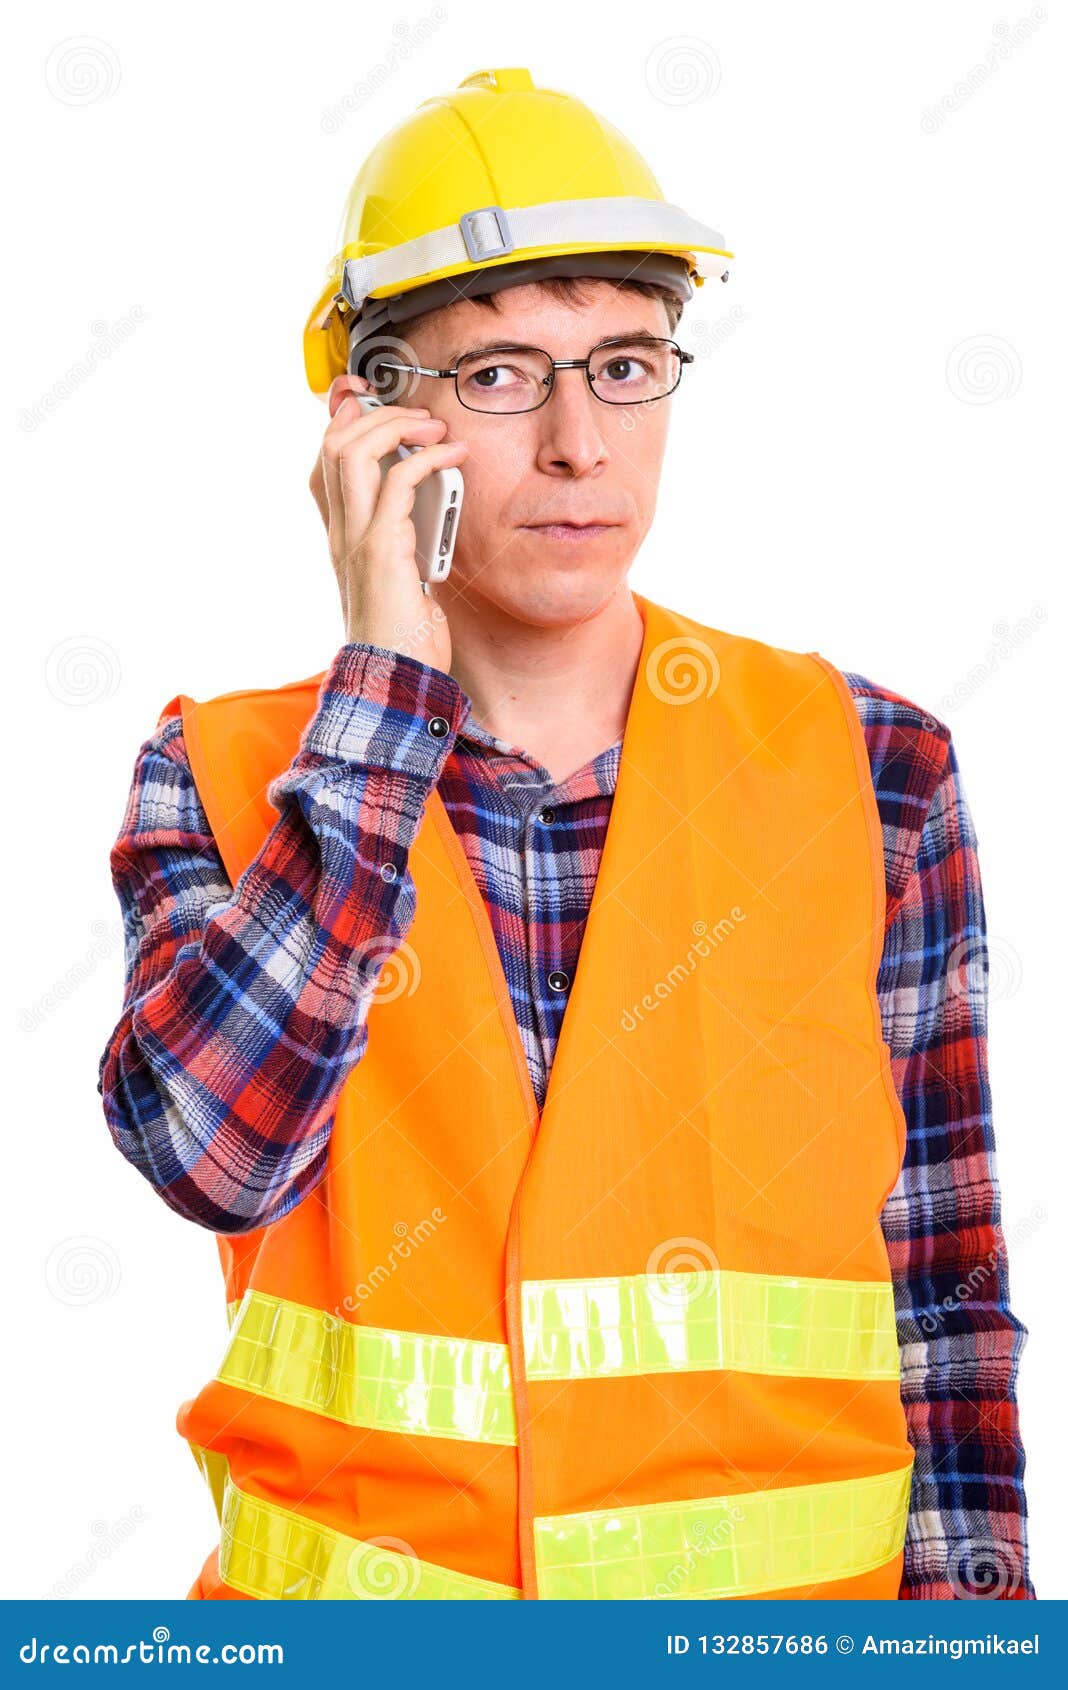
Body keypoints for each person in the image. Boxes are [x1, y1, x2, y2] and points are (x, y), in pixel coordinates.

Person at [97, 67, 1033, 1602]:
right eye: (503, 376)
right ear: (371, 417)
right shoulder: (219, 772)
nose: (582, 444)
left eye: (624, 363)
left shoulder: (875, 772)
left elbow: (945, 1296)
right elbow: (216, 1152)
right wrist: (384, 682)